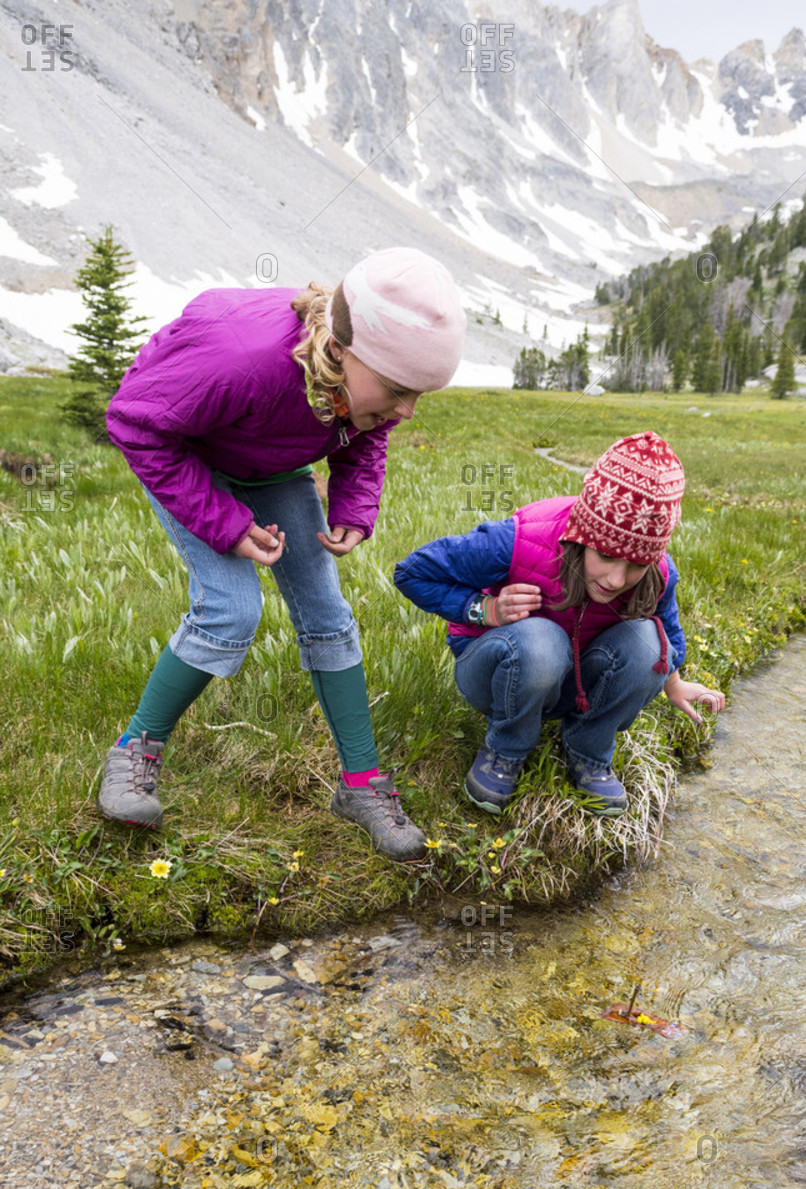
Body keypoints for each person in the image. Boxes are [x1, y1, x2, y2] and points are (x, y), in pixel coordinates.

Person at [98, 246, 466, 860]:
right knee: (231, 612)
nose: (405, 410)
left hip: (271, 468)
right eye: (400, 391)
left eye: (417, 396)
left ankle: (361, 785)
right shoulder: (240, 358)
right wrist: (226, 524)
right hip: (188, 464)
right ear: (344, 352)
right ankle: (133, 751)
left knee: (327, 611)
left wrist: (352, 509)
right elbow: (135, 423)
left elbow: (362, 437)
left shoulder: (366, 374)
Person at [393, 431, 725, 816]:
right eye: (606, 555)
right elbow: (413, 573)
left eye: (636, 564)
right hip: (497, 674)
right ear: (584, 535)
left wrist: (673, 682)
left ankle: (588, 753)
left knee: (650, 641)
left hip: (577, 679)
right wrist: (486, 610)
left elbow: (665, 631)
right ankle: (505, 750)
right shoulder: (519, 540)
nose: (617, 579)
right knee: (541, 638)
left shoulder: (659, 573)